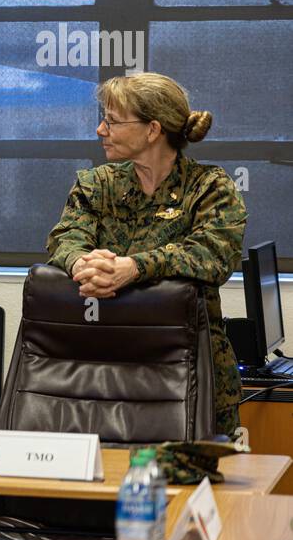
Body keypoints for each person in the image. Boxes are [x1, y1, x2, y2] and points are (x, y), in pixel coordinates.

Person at [46, 72, 247, 437]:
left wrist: (134, 268)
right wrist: (82, 264)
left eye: (112, 121)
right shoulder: (97, 184)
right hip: (107, 369)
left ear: (152, 130)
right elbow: (66, 238)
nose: (99, 130)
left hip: (193, 372)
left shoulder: (210, 188)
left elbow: (212, 255)